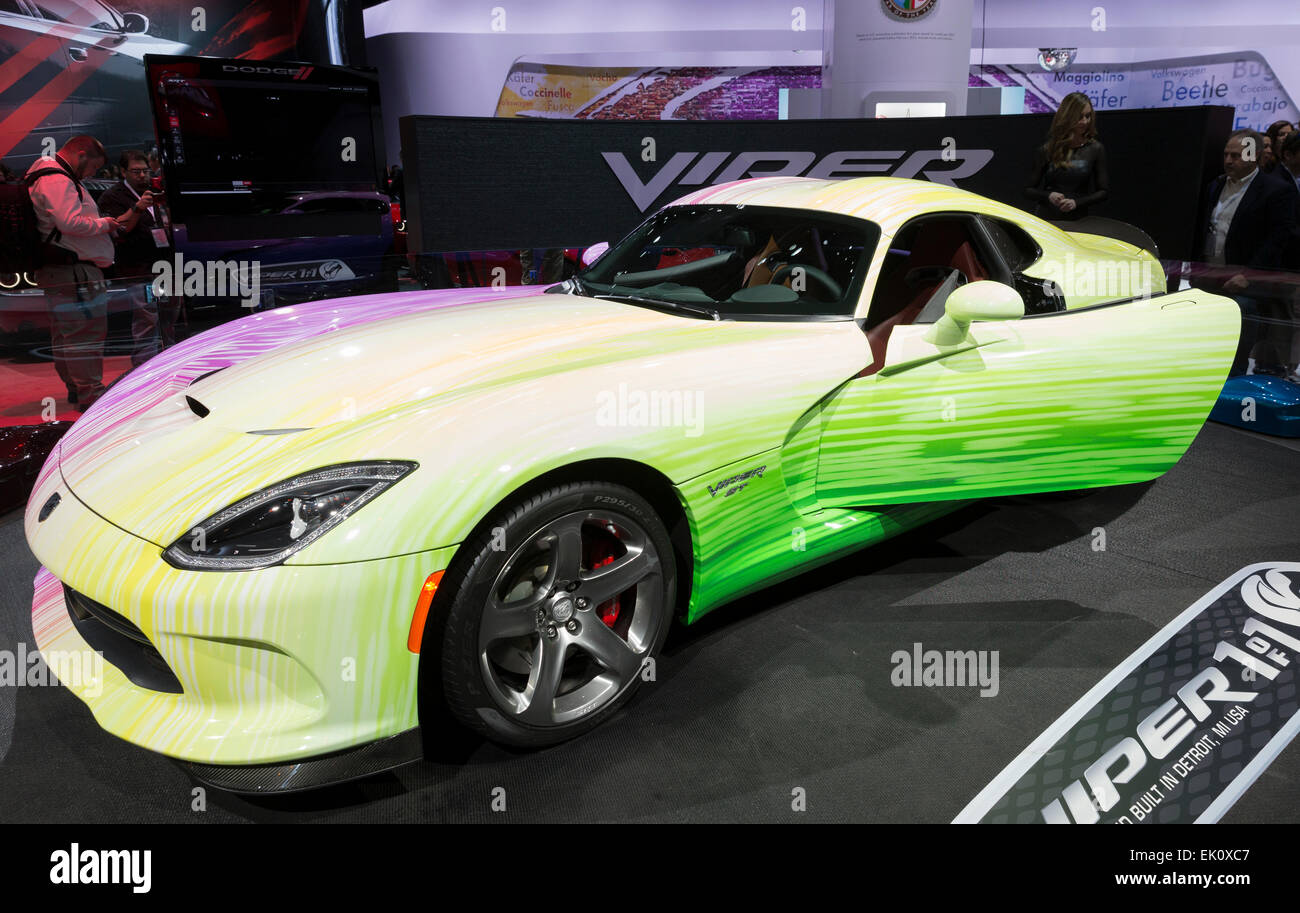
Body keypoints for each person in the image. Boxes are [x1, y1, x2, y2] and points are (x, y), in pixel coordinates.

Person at [25, 135, 152, 410]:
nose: (93, 173)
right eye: (93, 167)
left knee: (69, 335)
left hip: (66, 271)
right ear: (81, 155)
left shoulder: (48, 175)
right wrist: (104, 224)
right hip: (75, 272)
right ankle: (90, 395)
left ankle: (80, 390)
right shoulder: (57, 178)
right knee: (84, 335)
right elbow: (69, 222)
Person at [1194, 129, 1297, 377]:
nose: (1228, 160)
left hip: (1247, 280)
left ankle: (1235, 376)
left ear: (1255, 156)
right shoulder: (1216, 185)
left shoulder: (1276, 190)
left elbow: (1277, 239)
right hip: (1213, 274)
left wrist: (1248, 275)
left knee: (1240, 318)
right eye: (1226, 154)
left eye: (1236, 156)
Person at [97, 149, 179, 368]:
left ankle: (170, 366)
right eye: (136, 172)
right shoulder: (113, 196)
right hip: (138, 269)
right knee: (147, 324)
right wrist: (137, 207)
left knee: (170, 320)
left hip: (167, 266)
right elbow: (118, 230)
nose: (142, 176)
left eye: (145, 171)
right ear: (123, 171)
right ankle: (146, 371)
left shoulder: (158, 192)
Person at [1025, 92, 1109, 221]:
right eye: (1080, 117)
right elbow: (1028, 190)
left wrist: (1077, 203)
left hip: (1078, 218)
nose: (1085, 121)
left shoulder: (1095, 149)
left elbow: (1103, 192)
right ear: (1068, 117)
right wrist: (1049, 195)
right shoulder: (1047, 149)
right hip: (1048, 218)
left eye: (1088, 116)